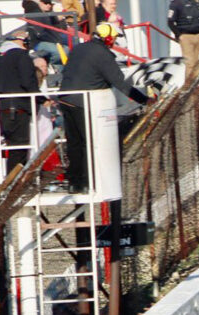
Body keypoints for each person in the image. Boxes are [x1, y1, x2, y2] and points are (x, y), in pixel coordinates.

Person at [58, 22, 150, 193]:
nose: (114, 41)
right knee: (88, 142)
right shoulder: (103, 55)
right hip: (82, 102)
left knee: (74, 143)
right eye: (113, 38)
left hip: (65, 100)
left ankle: (74, 182)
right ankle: (87, 182)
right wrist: (144, 99)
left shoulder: (79, 48)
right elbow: (121, 83)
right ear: (108, 38)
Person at [0, 30, 38, 171]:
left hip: (3, 108)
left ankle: (11, 181)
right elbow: (28, 82)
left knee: (13, 146)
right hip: (18, 108)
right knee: (21, 147)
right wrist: (41, 99)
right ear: (23, 42)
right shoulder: (22, 56)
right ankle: (13, 184)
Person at [22, 0, 69, 69]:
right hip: (39, 42)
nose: (48, 5)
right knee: (58, 52)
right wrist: (55, 41)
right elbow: (40, 33)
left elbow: (58, 26)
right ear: (39, 3)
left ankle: (59, 70)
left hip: (54, 40)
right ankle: (49, 65)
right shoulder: (35, 14)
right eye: (46, 3)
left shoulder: (49, 14)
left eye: (50, 4)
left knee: (67, 49)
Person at [168, 0, 199, 83]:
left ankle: (195, 86)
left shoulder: (197, 2)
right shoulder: (176, 3)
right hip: (185, 36)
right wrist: (179, 35)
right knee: (190, 64)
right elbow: (170, 21)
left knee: (196, 64)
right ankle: (188, 89)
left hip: (197, 35)